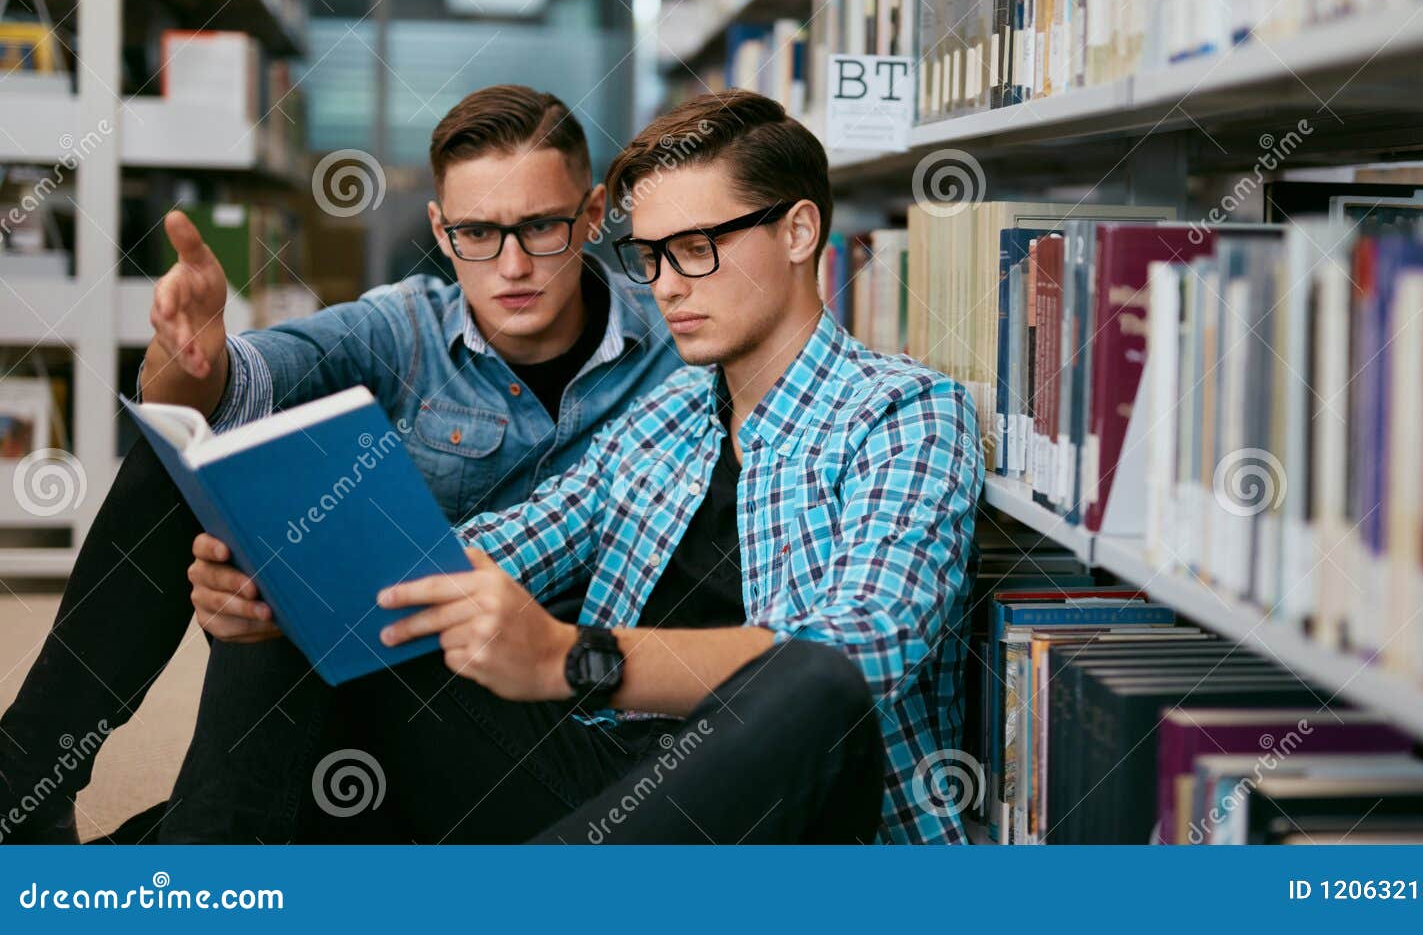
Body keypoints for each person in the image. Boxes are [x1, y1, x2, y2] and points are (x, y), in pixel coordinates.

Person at [158, 89, 983, 845]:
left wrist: (571, 657)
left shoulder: (904, 412)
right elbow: (499, 543)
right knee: (337, 616)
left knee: (814, 684)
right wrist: (288, 583)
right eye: (650, 255)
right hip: (599, 784)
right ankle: (197, 889)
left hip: (768, 819)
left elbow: (867, 655)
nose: (666, 286)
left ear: (799, 232)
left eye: (696, 248)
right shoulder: (666, 416)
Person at [0, 86, 681, 843]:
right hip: (382, 676)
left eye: (541, 228)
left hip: (544, 707)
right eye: (477, 233)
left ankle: (191, 856)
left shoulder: (679, 341)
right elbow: (231, 387)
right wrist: (186, 353)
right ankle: (23, 783)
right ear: (440, 228)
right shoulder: (404, 324)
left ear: (590, 215)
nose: (511, 264)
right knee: (200, 469)